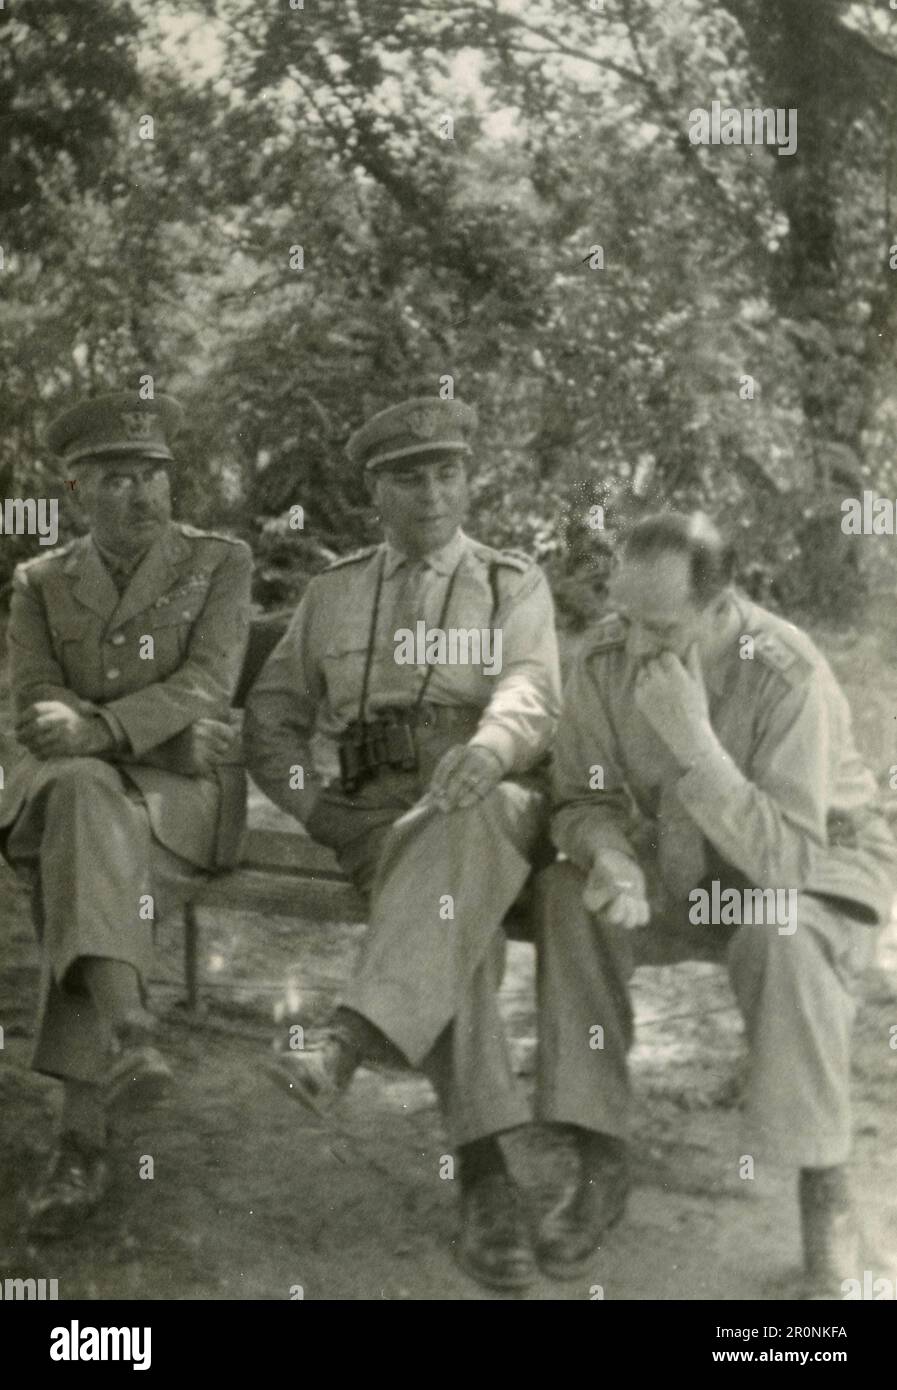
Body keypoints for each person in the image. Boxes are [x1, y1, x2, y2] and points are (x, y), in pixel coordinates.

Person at [534, 511, 896, 1296]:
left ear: (719, 606)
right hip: (679, 863)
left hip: (812, 869)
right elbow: (574, 797)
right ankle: (597, 1153)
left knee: (783, 936)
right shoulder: (605, 657)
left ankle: (823, 1189)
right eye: (624, 617)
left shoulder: (784, 673)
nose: (634, 644)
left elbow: (789, 861)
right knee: (567, 895)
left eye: (659, 627)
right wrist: (609, 857)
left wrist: (695, 742)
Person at [244, 396, 561, 1291]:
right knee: (455, 922)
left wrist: (491, 747)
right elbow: (271, 718)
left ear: (467, 478)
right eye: (408, 478)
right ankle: (485, 1186)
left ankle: (349, 1039)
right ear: (375, 492)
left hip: (486, 796)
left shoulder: (510, 583)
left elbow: (533, 689)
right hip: (375, 819)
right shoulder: (333, 593)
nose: (432, 494)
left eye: (447, 472)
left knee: (470, 822)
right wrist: (317, 814)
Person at [0, 391, 252, 1234]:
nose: (142, 495)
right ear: (75, 492)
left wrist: (102, 728)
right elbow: (35, 706)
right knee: (78, 804)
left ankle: (83, 1134)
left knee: (78, 823)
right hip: (109, 790)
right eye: (116, 479)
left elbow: (208, 683)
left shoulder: (220, 564)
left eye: (154, 476)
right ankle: (125, 1032)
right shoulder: (38, 584)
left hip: (184, 807)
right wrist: (147, 742)